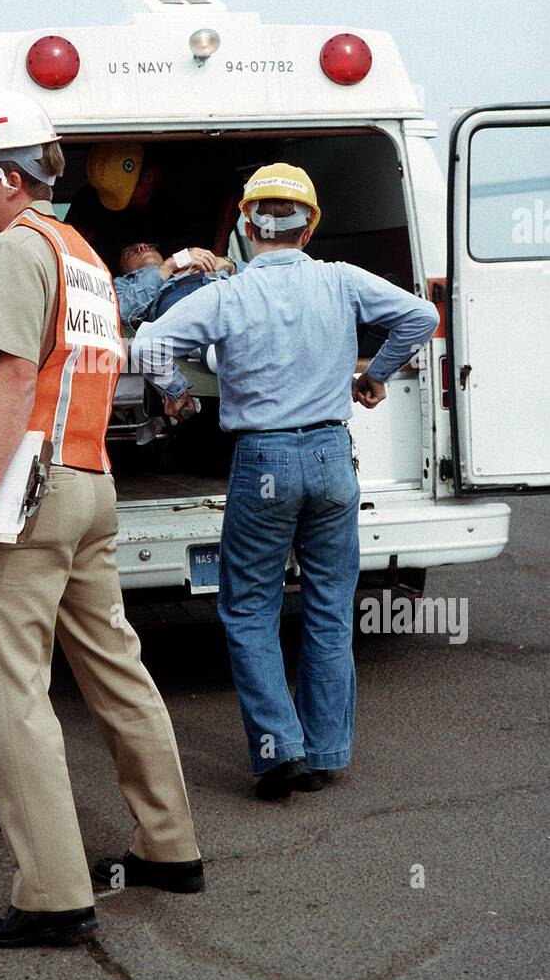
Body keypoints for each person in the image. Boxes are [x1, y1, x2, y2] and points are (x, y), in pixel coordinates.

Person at [0, 90, 202, 948]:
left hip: (31, 490)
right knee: (117, 668)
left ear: (4, 176)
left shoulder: (16, 247)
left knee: (13, 690)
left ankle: (53, 894)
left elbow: (11, 379)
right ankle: (169, 845)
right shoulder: (84, 251)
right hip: (91, 480)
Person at [134, 164, 439, 800]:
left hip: (263, 461)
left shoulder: (227, 293)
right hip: (332, 456)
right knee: (330, 606)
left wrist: (177, 400)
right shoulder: (340, 281)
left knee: (250, 607)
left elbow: (151, 346)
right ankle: (326, 751)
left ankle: (280, 753)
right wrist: (373, 375)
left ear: (246, 224)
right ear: (312, 226)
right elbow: (418, 316)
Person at [114, 239, 238, 330]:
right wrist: (168, 266)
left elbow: (255, 276)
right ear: (122, 268)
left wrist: (229, 265)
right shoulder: (122, 282)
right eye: (131, 251)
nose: (143, 246)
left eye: (150, 246)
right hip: (181, 304)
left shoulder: (193, 259)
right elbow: (123, 311)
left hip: (226, 290)